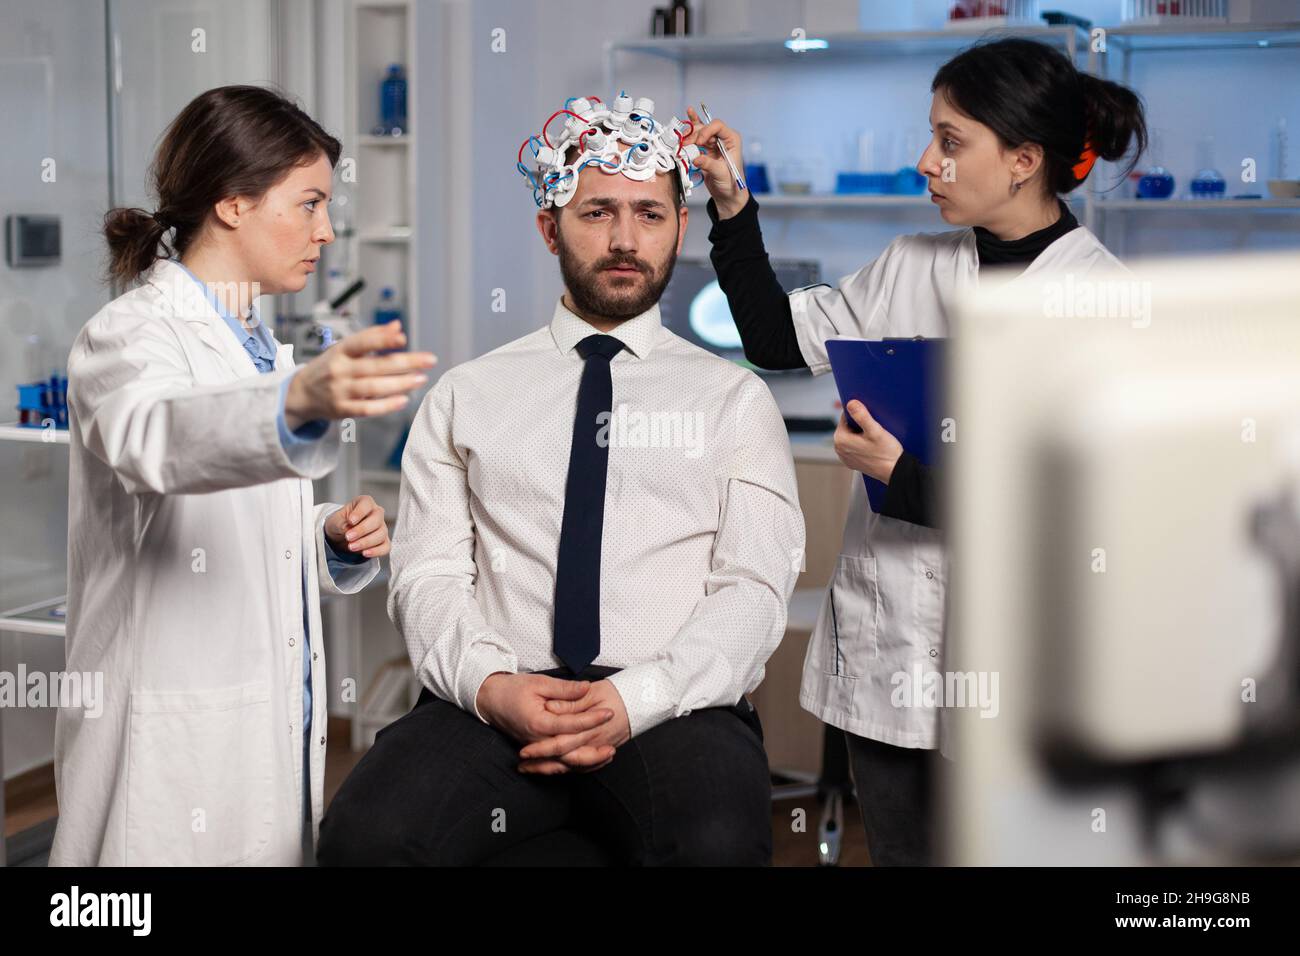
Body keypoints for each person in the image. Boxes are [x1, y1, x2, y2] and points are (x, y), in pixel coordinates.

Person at [684, 38, 1147, 864]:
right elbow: (772, 338)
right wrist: (731, 205)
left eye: (950, 140)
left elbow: (1074, 507)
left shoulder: (1103, 300)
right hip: (889, 644)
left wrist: (901, 476)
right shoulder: (910, 265)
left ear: (1022, 160)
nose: (924, 161)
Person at [317, 93, 804, 866]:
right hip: (498, 694)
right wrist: (491, 687)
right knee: (364, 840)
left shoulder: (734, 401)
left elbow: (753, 589)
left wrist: (630, 700)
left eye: (649, 214)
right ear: (550, 228)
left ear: (681, 227)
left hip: (671, 703)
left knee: (714, 844)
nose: (624, 239)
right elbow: (429, 574)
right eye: (596, 212)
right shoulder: (467, 394)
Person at [51, 85, 436, 866]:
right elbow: (159, 438)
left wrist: (322, 535)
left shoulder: (255, 344)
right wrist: (293, 402)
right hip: (169, 728)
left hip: (266, 719)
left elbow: (227, 511)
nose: (326, 231)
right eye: (309, 204)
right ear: (232, 202)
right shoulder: (128, 336)